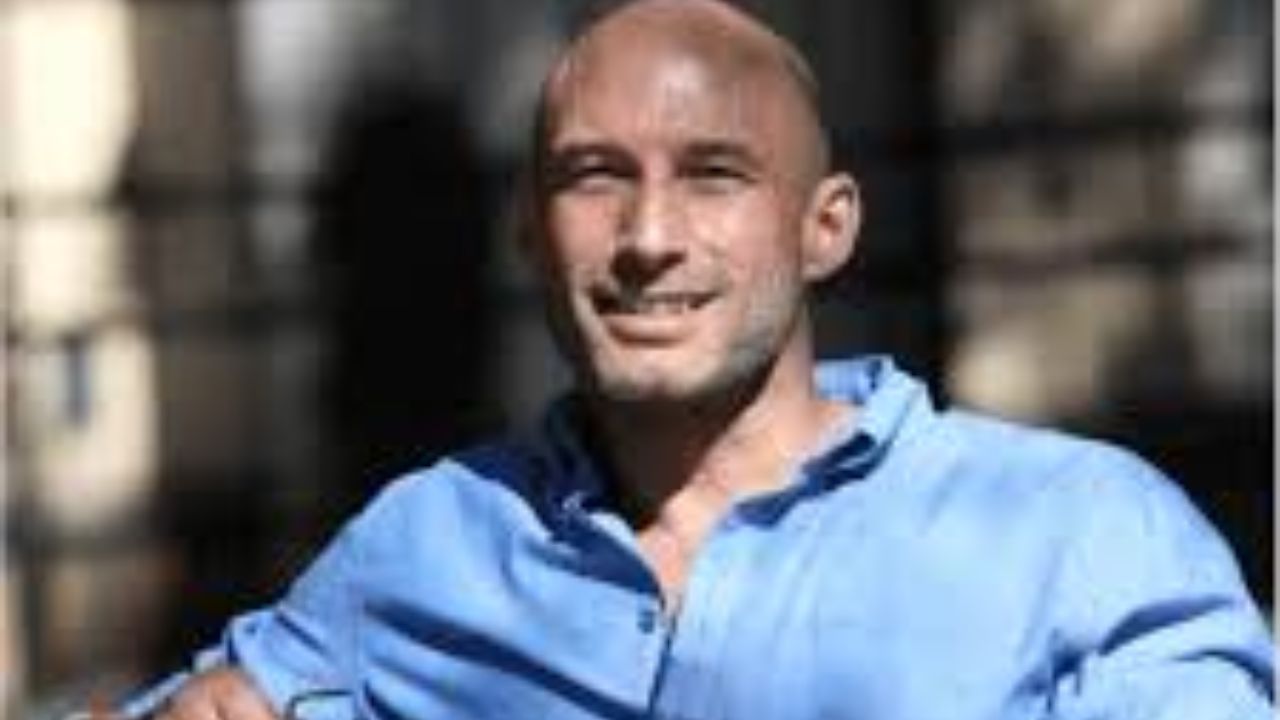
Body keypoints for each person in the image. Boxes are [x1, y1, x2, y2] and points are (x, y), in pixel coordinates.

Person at [122, 1, 1274, 718]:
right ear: (530, 233)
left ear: (825, 226)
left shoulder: (1074, 534)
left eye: (713, 174)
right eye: (592, 177)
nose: (647, 239)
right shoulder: (425, 543)